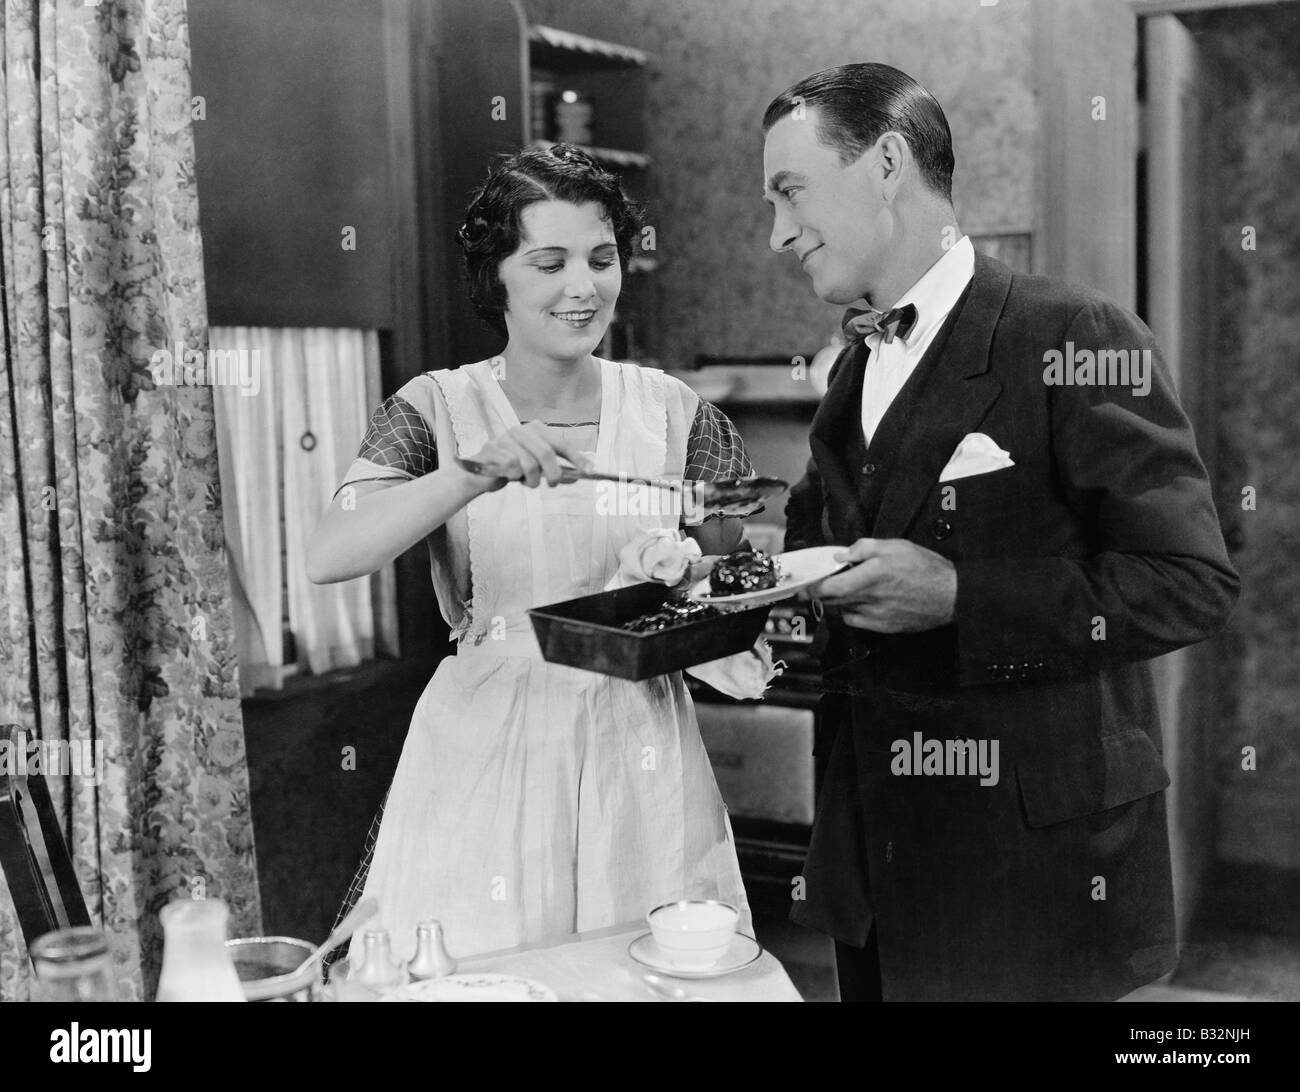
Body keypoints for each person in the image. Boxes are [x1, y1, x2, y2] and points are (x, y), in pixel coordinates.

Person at [762, 64, 1239, 1001]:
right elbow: (826, 559)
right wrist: (726, 581)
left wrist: (959, 599)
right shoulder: (852, 369)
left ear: (888, 164)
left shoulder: (1075, 334)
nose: (777, 234)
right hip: (876, 862)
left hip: (1035, 883)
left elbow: (1190, 580)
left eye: (790, 192)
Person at [308, 144, 761, 963]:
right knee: (488, 964)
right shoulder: (439, 405)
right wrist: (472, 471)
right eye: (548, 262)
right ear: (499, 279)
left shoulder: (674, 411)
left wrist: (697, 566)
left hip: (641, 741)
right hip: (491, 738)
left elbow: (733, 565)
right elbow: (331, 550)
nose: (582, 287)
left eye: (602, 257)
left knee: (646, 964)